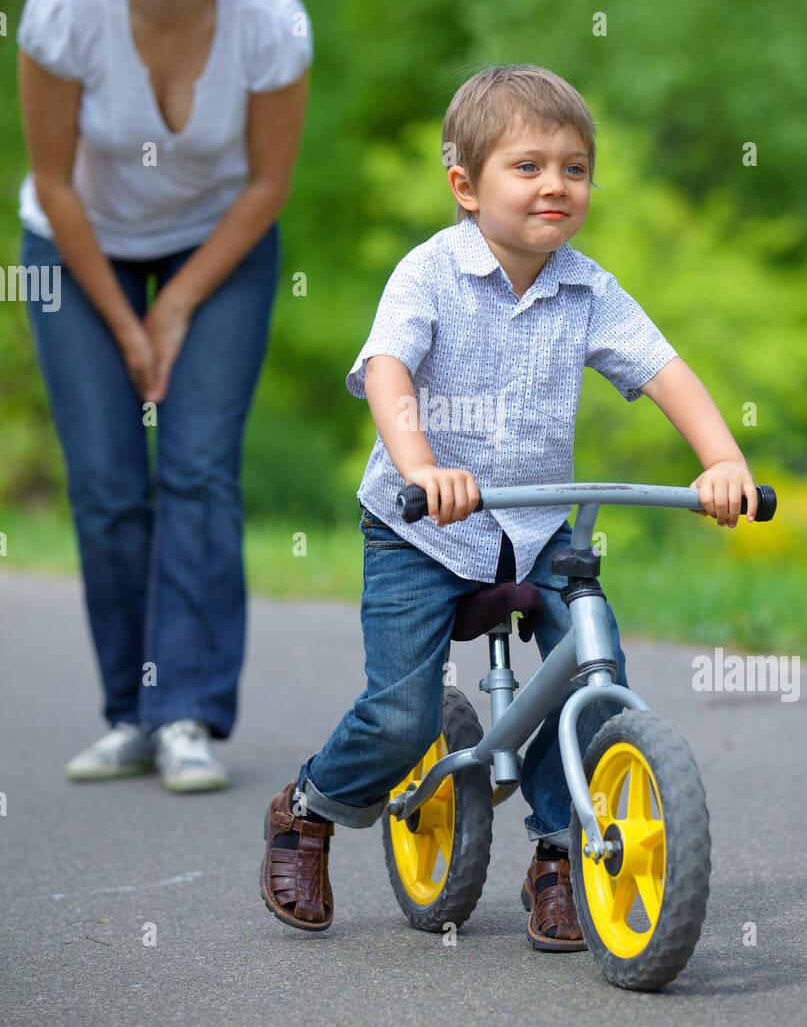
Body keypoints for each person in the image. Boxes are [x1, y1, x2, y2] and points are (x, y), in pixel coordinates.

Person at [260, 64, 757, 949]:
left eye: (574, 167)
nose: (555, 186)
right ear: (465, 184)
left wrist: (721, 460)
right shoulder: (429, 276)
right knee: (405, 715)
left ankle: (561, 856)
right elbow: (388, 372)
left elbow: (664, 371)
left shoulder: (588, 287)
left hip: (534, 525)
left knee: (595, 678)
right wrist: (421, 465)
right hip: (422, 527)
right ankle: (310, 807)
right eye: (527, 167)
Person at [16, 0, 312, 791]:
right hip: (76, 246)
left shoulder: (271, 20)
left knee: (194, 468)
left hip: (217, 247)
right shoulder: (66, 1)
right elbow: (54, 184)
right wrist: (125, 319)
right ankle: (130, 713)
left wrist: (176, 305)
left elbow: (268, 185)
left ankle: (184, 710)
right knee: (106, 485)